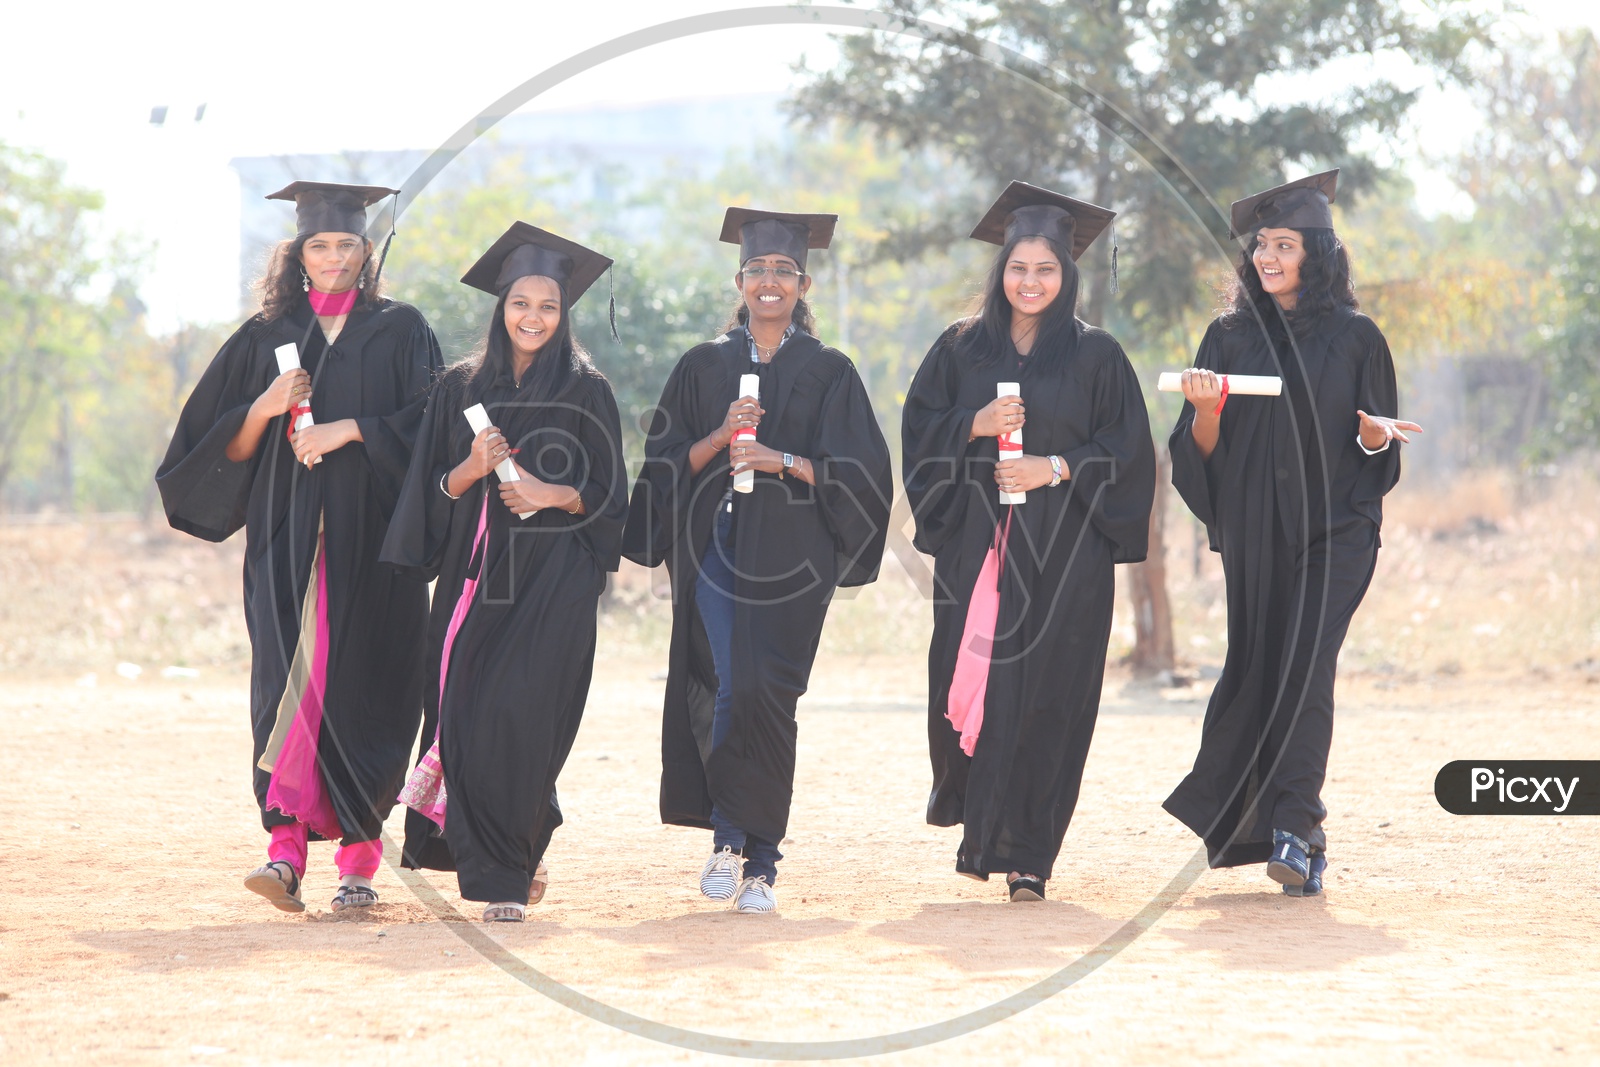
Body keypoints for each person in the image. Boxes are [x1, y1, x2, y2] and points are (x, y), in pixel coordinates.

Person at [155, 181, 439, 913]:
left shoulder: (404, 330)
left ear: (366, 250)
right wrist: (263, 405)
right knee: (288, 686)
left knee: (371, 690)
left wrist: (352, 429)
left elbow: (433, 429)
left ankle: (359, 862)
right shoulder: (262, 338)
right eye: (320, 244)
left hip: (377, 551)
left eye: (347, 243)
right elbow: (210, 447)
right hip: (287, 544)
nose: (335, 256)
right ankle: (284, 853)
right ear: (298, 252)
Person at [623, 206, 893, 914]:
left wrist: (782, 459)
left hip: (796, 564)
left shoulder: (831, 371)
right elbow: (663, 463)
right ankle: (735, 843)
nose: (769, 283)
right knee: (734, 683)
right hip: (715, 549)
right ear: (738, 280)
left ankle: (757, 857)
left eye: (783, 271)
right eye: (757, 271)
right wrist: (720, 437)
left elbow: (863, 476)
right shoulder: (703, 365)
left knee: (772, 695)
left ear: (803, 284)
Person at [1163, 169, 1421, 896]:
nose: (1268, 257)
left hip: (1336, 530)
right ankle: (1301, 834)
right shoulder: (1229, 336)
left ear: (1319, 253)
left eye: (1284, 244)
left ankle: (1292, 821)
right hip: (1255, 532)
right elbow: (1196, 452)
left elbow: (1381, 449)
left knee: (1305, 660)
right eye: (1261, 246)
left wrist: (1374, 437)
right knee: (1268, 666)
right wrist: (1206, 410)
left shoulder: (1357, 337)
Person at [901, 182, 1156, 902]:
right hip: (979, 544)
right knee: (966, 681)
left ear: (1066, 276)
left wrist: (1058, 466)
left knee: (1052, 693)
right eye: (1019, 268)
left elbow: (1130, 452)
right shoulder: (960, 348)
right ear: (1001, 270)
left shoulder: (1097, 356)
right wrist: (973, 426)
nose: (1031, 281)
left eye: (1046, 270)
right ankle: (977, 822)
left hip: (1067, 552)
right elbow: (920, 433)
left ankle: (1029, 855)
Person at [381, 223, 628, 923]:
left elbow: (614, 501)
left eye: (548, 306)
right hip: (472, 584)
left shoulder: (588, 390)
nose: (533, 317)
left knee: (521, 722)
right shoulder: (461, 387)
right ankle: (511, 849)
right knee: (462, 718)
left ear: (563, 314)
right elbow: (431, 492)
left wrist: (552, 493)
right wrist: (471, 467)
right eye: (522, 302)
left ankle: (506, 878)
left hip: (554, 588)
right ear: (502, 306)